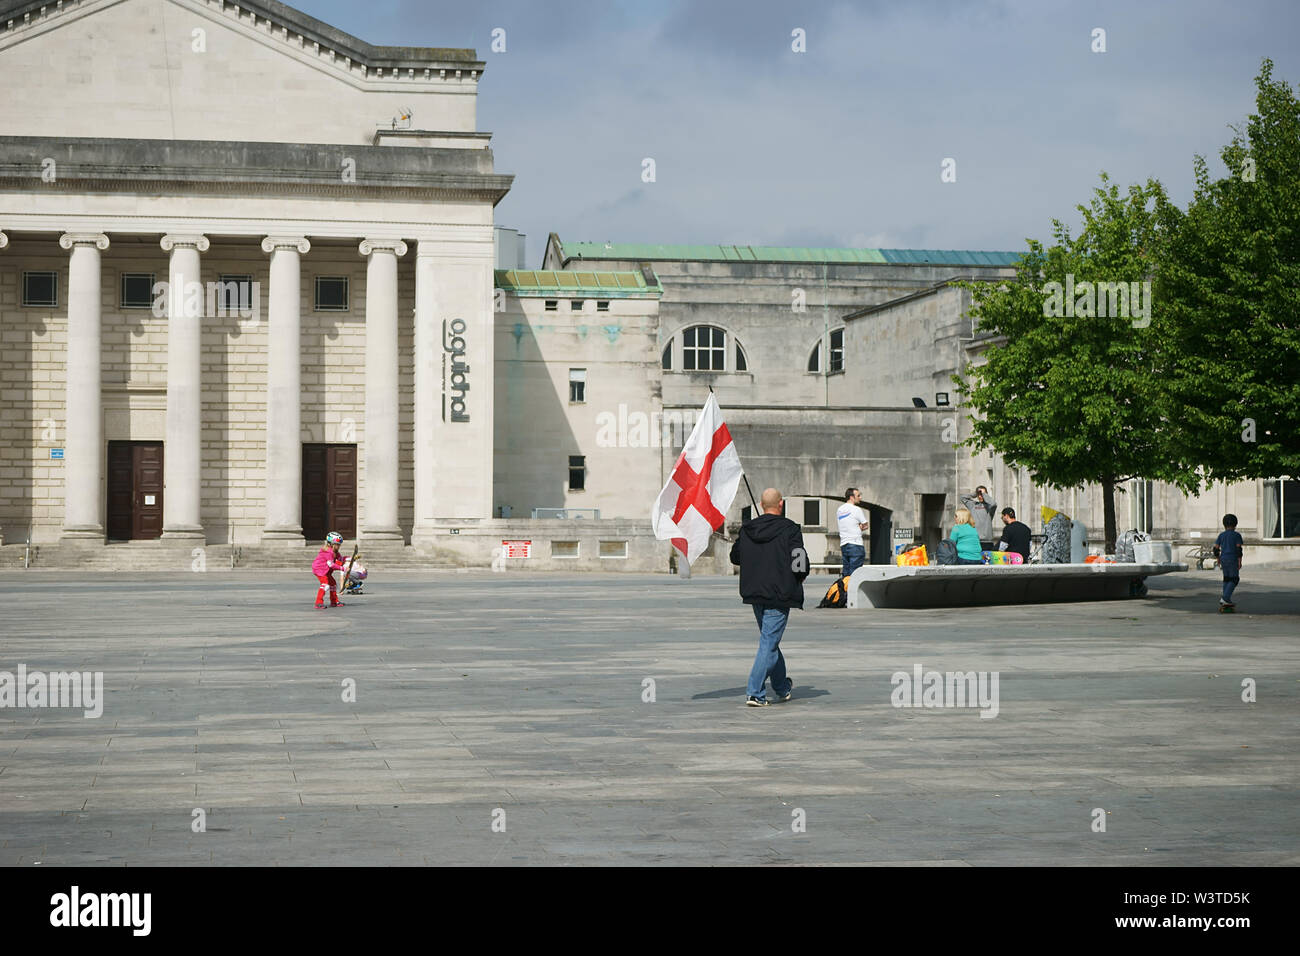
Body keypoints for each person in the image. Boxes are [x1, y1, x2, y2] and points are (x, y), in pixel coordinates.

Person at [730, 487, 806, 707]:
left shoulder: (748, 529)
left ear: (762, 505)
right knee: (768, 643)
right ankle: (755, 692)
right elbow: (798, 558)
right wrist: (800, 577)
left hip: (755, 592)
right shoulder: (790, 529)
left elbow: (735, 556)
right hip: (780, 593)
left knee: (770, 641)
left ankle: (781, 687)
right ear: (780, 504)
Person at [836, 487, 869, 577]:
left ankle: (845, 590)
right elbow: (865, 525)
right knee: (855, 575)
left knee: (846, 573)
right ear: (851, 497)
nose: (860, 497)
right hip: (856, 544)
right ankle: (851, 591)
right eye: (858, 495)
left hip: (844, 544)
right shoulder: (856, 510)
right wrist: (859, 526)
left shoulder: (840, 510)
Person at [1214, 513, 1244, 609]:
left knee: (1227, 578)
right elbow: (1239, 550)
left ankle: (1227, 599)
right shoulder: (1237, 535)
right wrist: (1239, 561)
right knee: (1234, 579)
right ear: (1235, 524)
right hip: (1232, 559)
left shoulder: (1221, 535)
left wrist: (1218, 559)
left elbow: (1215, 549)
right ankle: (1225, 598)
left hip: (1223, 559)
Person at [312, 531, 347, 608]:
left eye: (339, 545)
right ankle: (318, 603)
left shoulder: (335, 552)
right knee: (325, 585)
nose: (339, 546)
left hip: (326, 570)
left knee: (333, 584)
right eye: (337, 545)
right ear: (331, 544)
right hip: (320, 570)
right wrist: (342, 568)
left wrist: (348, 559)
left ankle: (334, 601)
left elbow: (340, 559)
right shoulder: (328, 552)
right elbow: (331, 565)